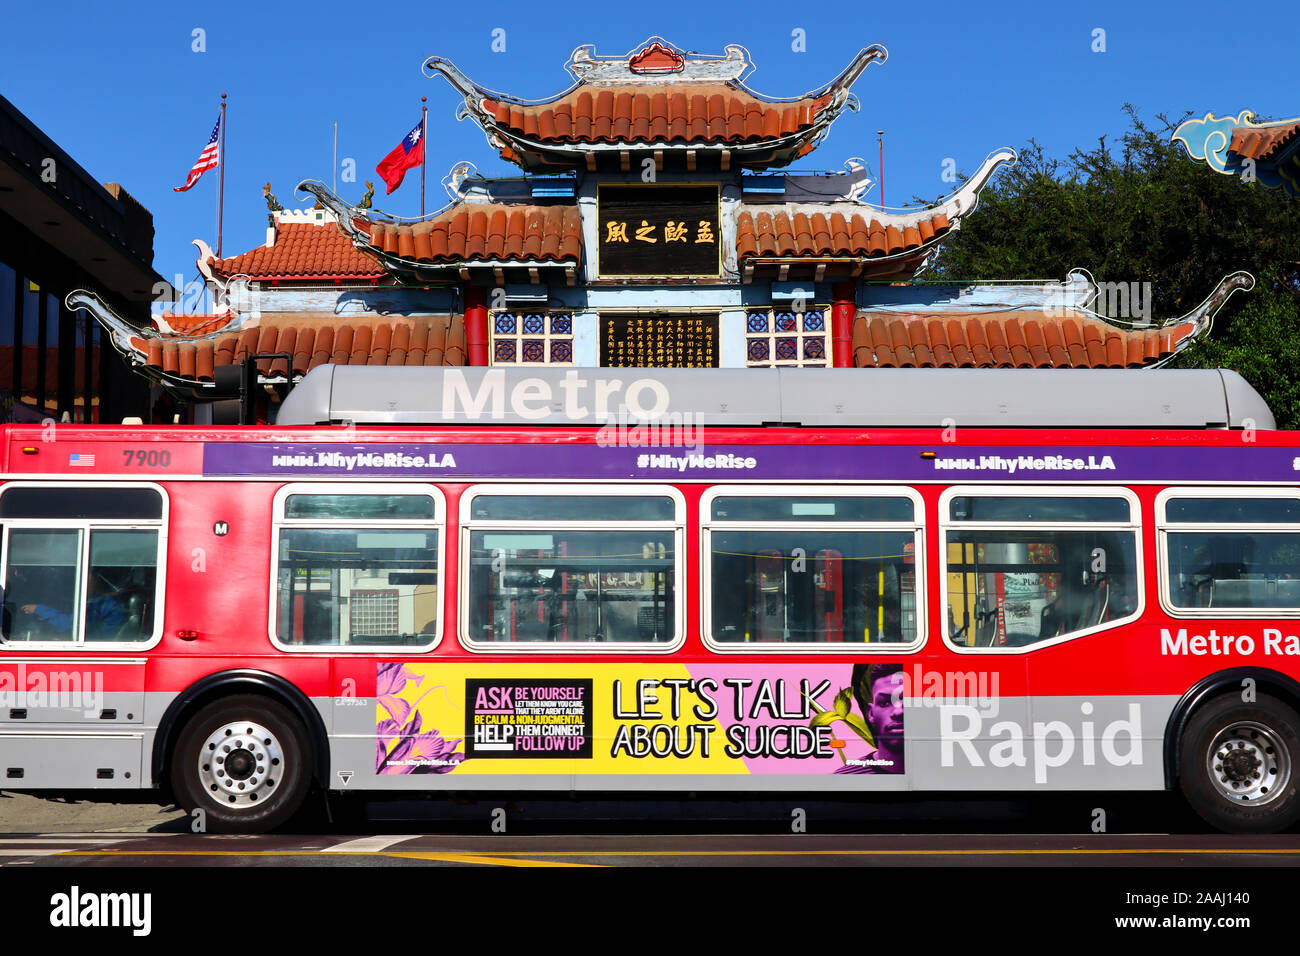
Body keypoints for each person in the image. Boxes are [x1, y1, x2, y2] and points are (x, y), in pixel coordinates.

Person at [835, 662, 904, 774]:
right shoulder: (843, 779)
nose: (898, 712)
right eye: (885, 703)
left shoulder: (940, 771)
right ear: (870, 713)